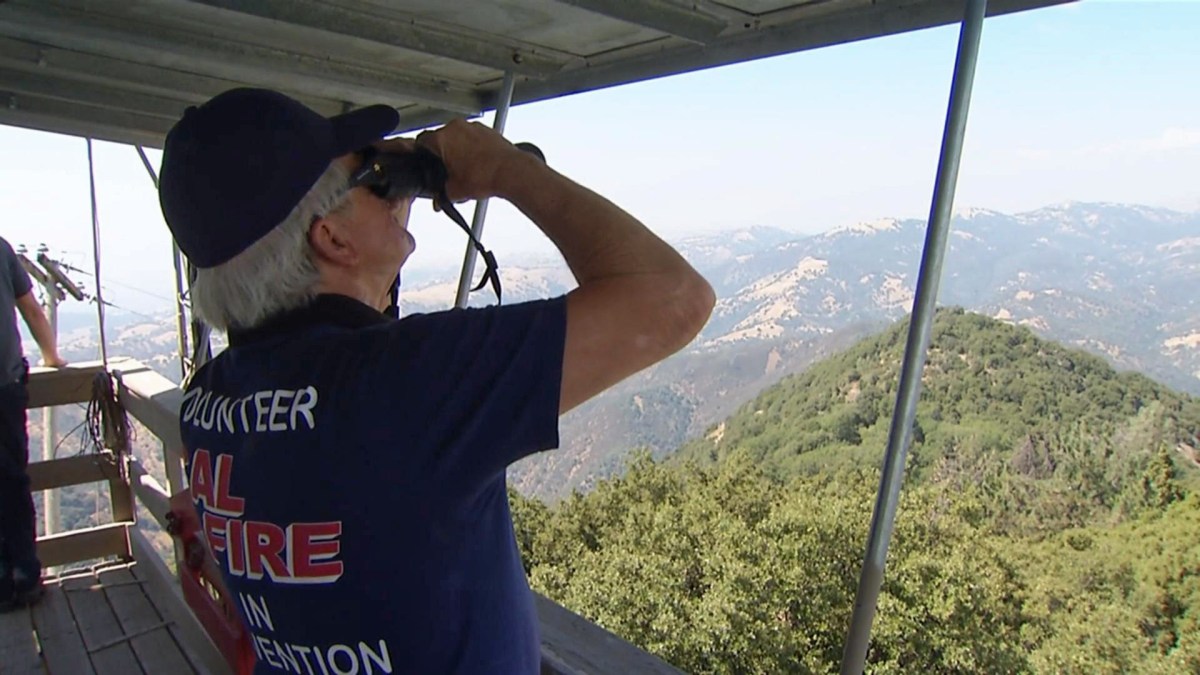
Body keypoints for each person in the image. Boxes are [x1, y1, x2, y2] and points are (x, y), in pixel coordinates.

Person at [158, 88, 715, 674]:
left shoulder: (209, 399)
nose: (395, 191)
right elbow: (674, 298)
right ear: (334, 240)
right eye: (374, 178)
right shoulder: (406, 381)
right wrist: (504, 168)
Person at [0, 236, 66, 612]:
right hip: (4, 388)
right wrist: (51, 357)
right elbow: (32, 310)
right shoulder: (1, 249)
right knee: (12, 481)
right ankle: (25, 574)